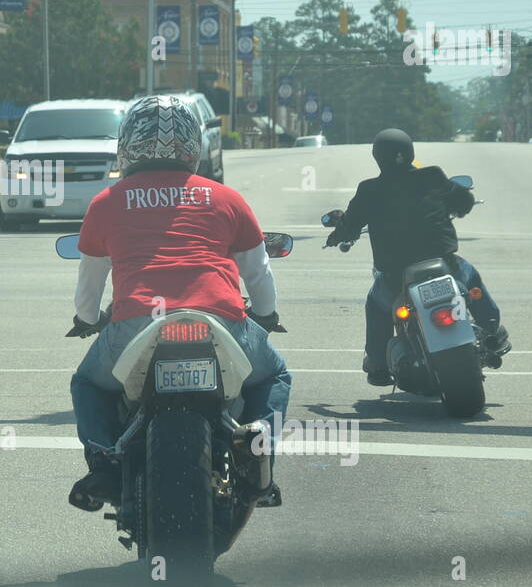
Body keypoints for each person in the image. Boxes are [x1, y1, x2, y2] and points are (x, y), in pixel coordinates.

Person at [67, 95, 292, 511]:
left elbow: (89, 287)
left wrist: (87, 320)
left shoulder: (107, 203)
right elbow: (259, 274)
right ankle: (258, 443)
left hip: (135, 325)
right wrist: (265, 315)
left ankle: (102, 461)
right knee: (274, 375)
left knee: (87, 383)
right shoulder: (225, 198)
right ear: (193, 144)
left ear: (127, 142)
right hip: (221, 323)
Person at [325, 128, 509, 387]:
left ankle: (377, 363)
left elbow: (349, 225)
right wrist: (458, 205)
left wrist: (337, 235)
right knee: (471, 276)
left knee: (376, 305)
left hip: (396, 278)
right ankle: (492, 331)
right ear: (410, 152)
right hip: (445, 267)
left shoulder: (369, 190)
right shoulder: (432, 176)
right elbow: (464, 200)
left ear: (378, 158)